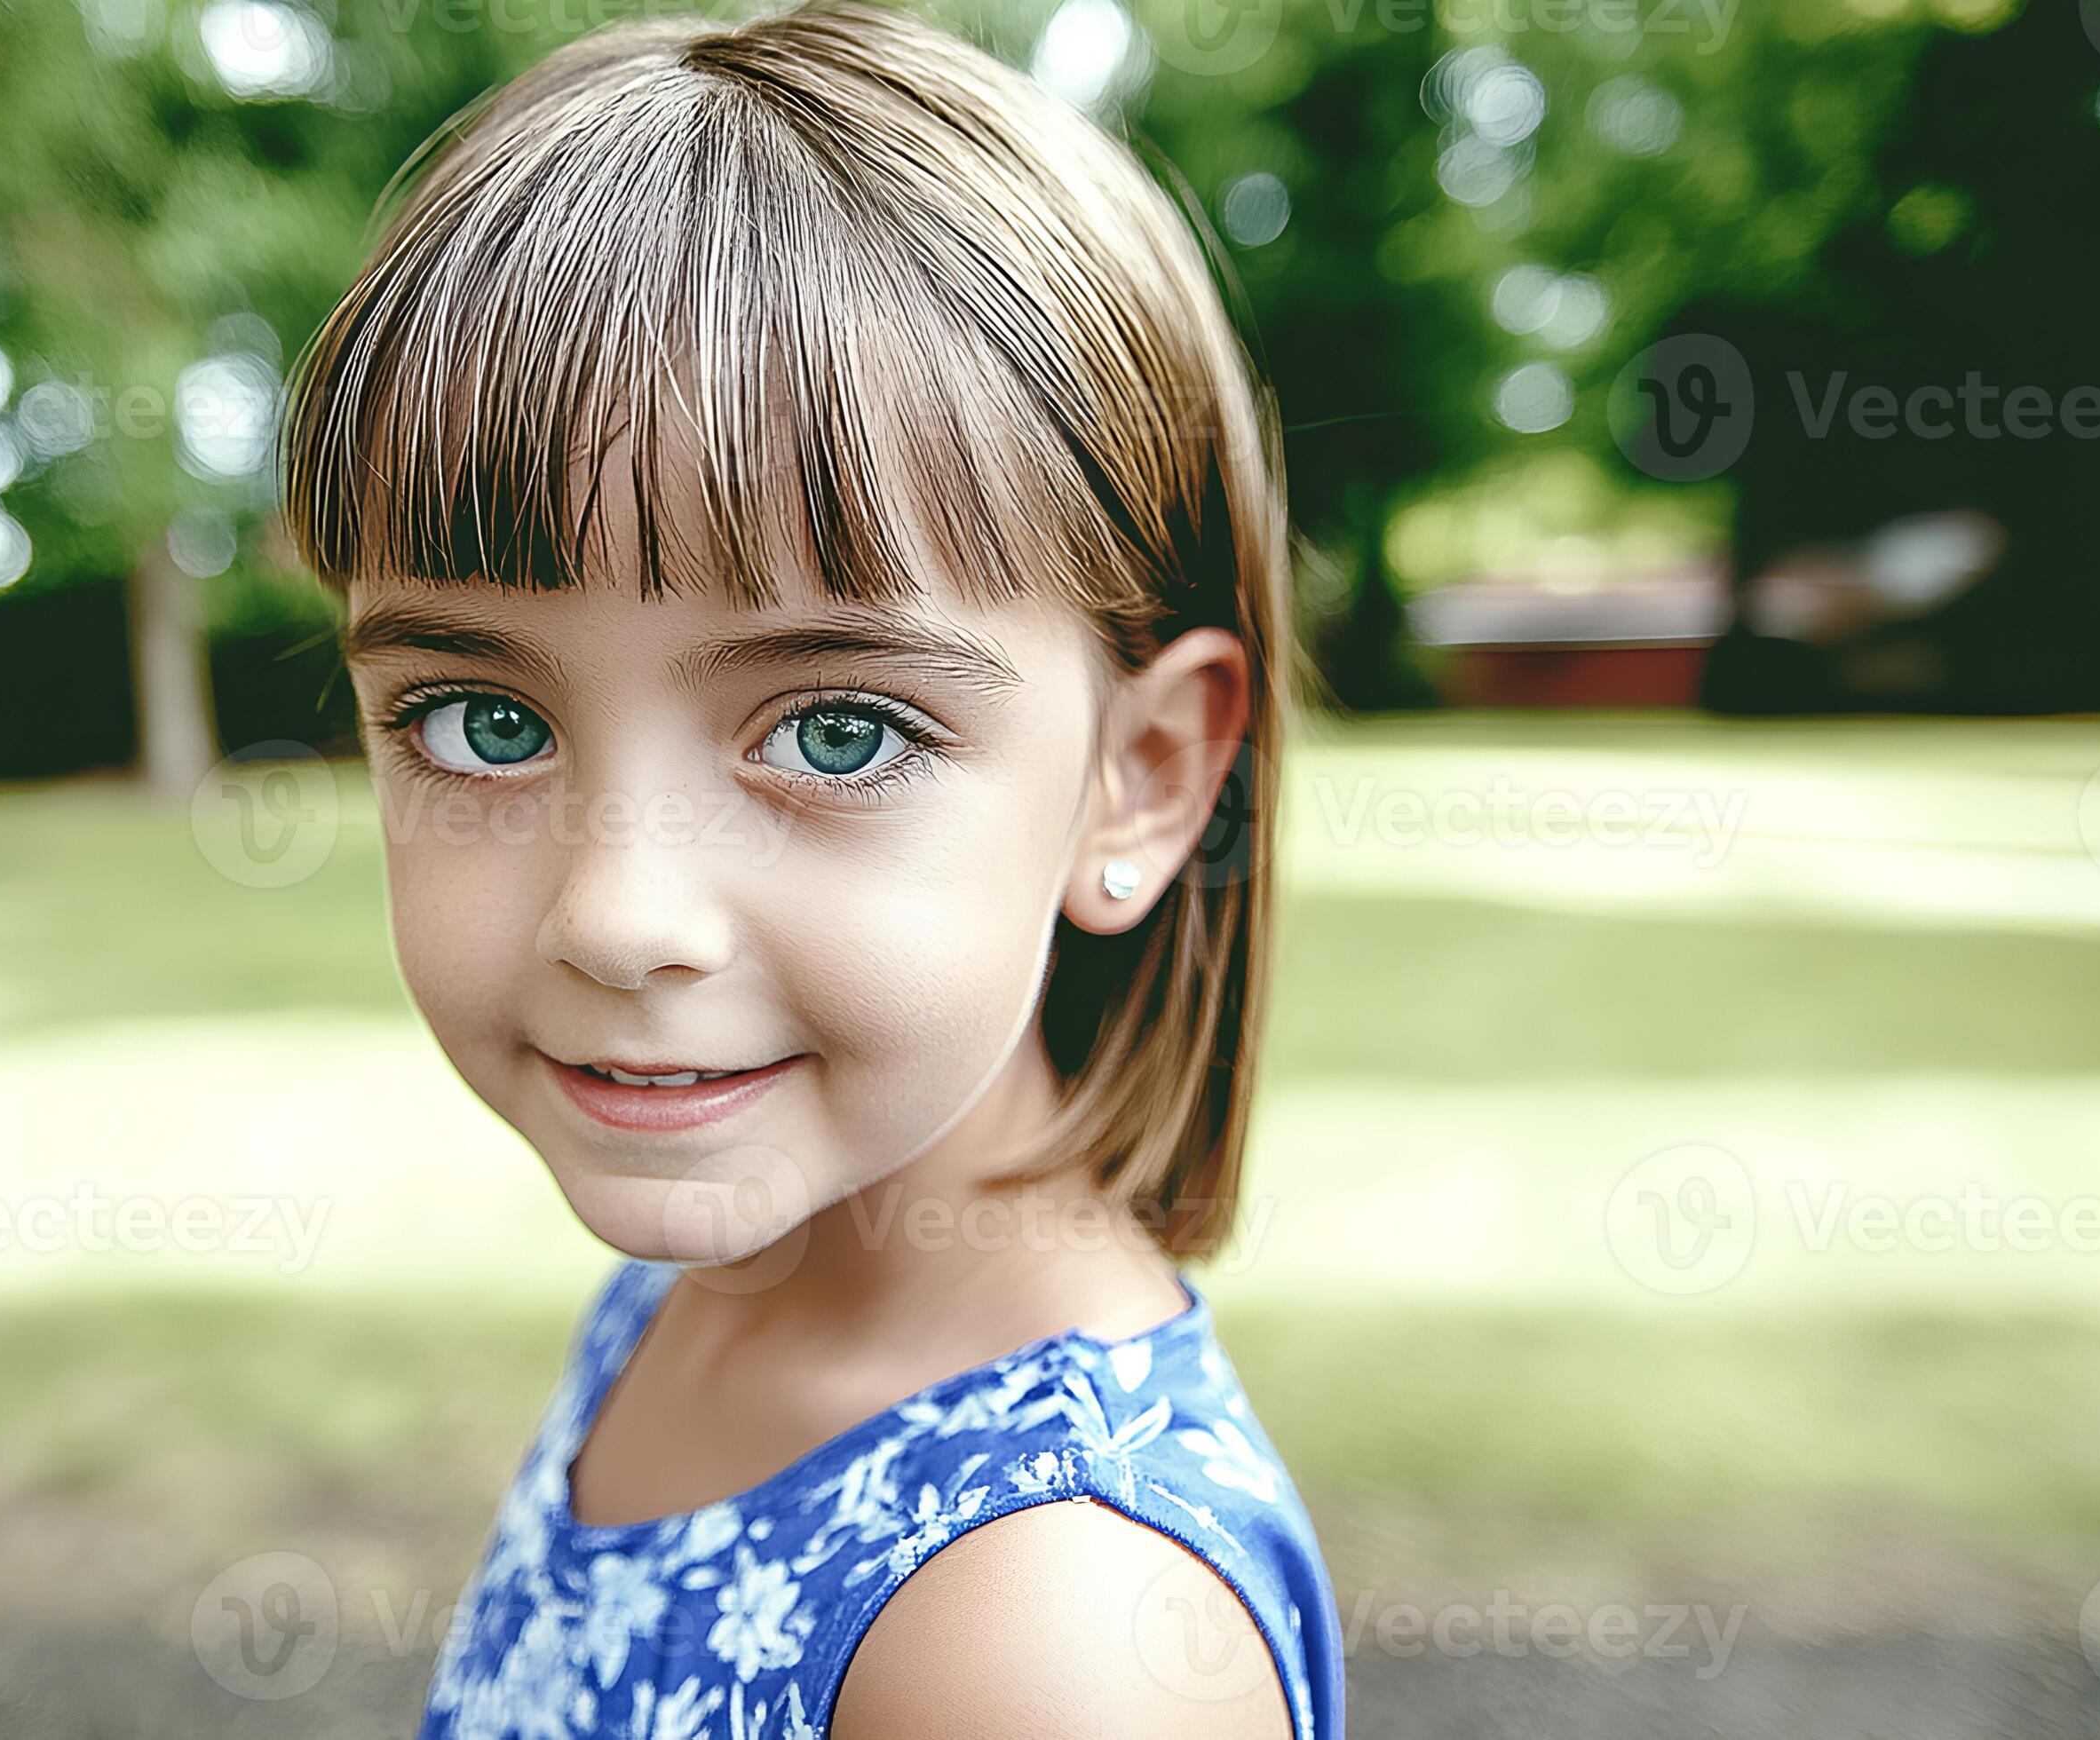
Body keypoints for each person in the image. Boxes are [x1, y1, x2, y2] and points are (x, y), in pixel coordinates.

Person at [280, 4, 1341, 1734]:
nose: (619, 916)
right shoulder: (707, 1282)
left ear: (1141, 781)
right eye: (481, 719)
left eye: (839, 732)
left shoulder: (1046, 1635)